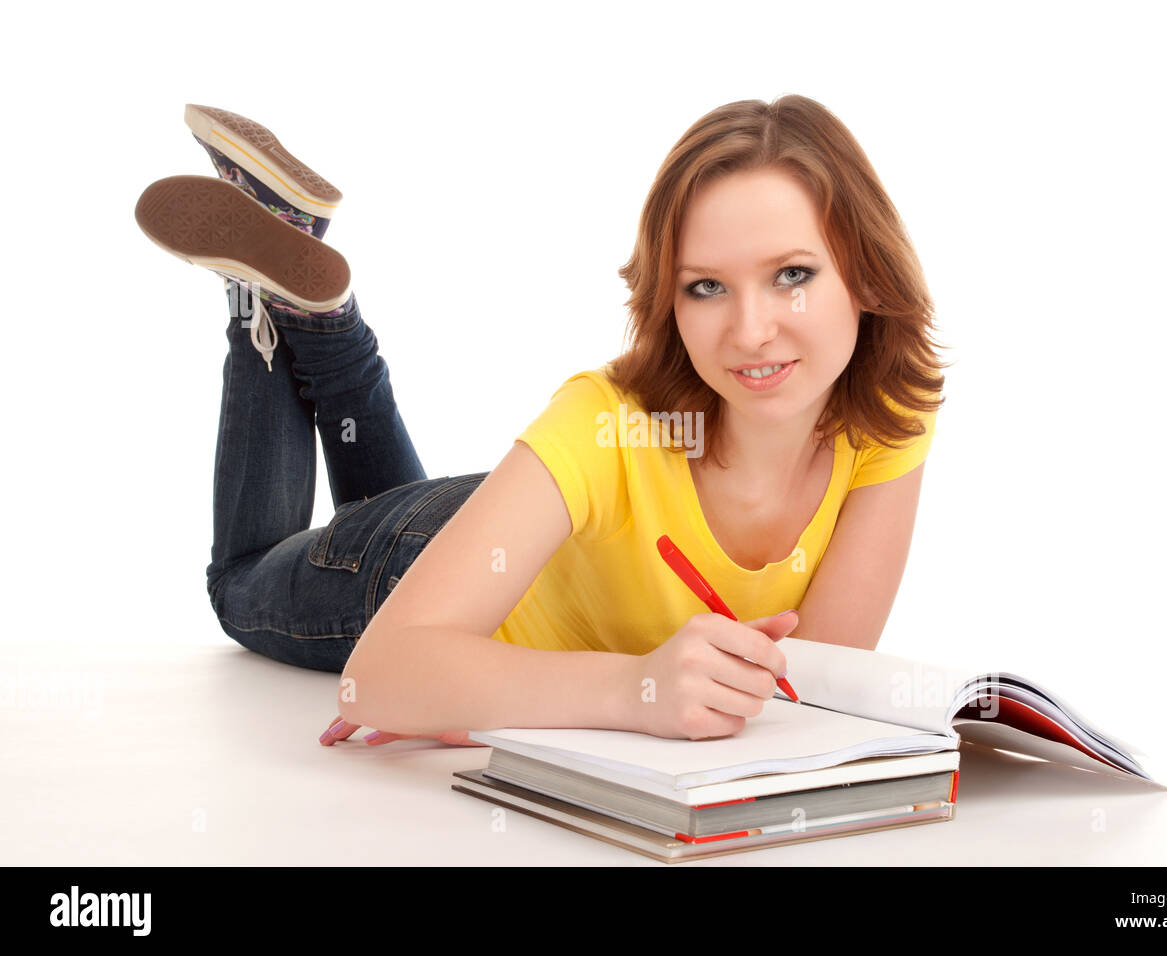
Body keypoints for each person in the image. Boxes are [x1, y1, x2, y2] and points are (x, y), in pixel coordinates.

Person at [134, 96, 947, 749]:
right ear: (668, 295)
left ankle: (318, 303)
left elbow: (815, 684)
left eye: (792, 275)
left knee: (394, 513)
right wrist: (616, 692)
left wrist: (518, 696)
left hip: (518, 530)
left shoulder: (889, 416)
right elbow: (380, 674)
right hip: (422, 560)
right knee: (238, 581)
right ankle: (269, 302)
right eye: (706, 286)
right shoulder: (605, 422)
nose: (751, 329)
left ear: (867, 277)